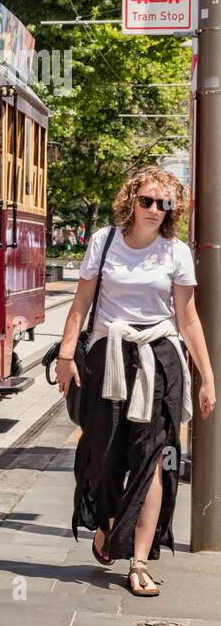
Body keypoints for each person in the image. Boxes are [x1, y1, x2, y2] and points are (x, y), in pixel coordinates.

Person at [57, 167, 215, 595]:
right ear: (131, 201)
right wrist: (66, 355)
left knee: (152, 461)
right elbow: (82, 301)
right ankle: (108, 526)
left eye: (164, 203)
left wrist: (206, 377)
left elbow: (187, 317)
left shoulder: (176, 252)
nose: (155, 210)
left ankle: (140, 560)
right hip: (108, 358)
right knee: (104, 458)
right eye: (147, 201)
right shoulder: (103, 242)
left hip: (159, 360)